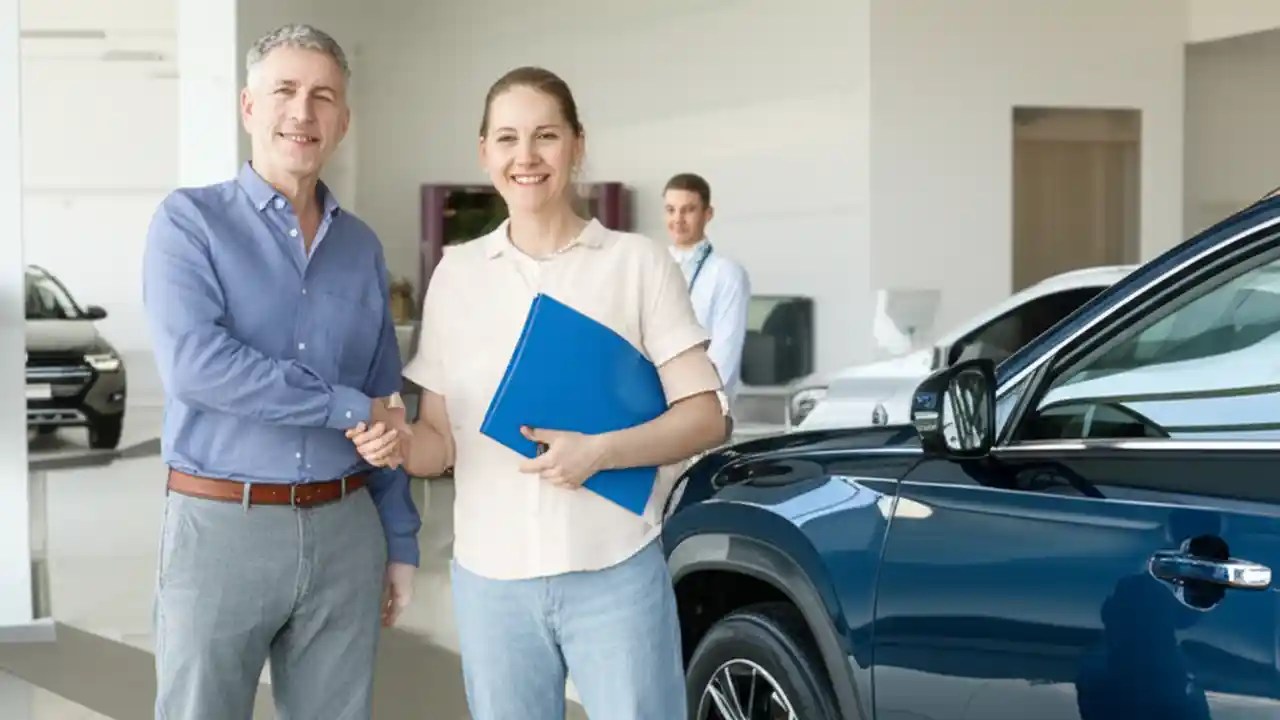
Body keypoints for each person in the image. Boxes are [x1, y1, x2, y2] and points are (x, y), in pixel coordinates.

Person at [348, 66, 730, 719]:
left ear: (578, 145)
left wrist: (601, 452)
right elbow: (440, 445)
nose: (525, 156)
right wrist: (399, 441)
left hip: (614, 570)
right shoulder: (458, 274)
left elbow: (707, 417)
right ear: (484, 153)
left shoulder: (635, 263)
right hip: (491, 582)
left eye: (545, 136)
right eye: (507, 138)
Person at [141, 23, 420, 720]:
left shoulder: (360, 248)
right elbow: (198, 368)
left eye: (323, 96)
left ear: (344, 121)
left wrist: (400, 539)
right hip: (219, 527)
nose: (303, 112)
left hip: (345, 531)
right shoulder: (189, 224)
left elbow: (384, 401)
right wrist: (344, 408)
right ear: (248, 107)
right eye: (285, 91)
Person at [663, 173, 751, 405]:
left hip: (703, 410)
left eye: (688, 210)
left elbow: (725, 357)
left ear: (707, 214)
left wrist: (692, 406)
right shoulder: (654, 267)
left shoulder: (726, 273)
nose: (678, 219)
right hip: (654, 409)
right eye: (671, 210)